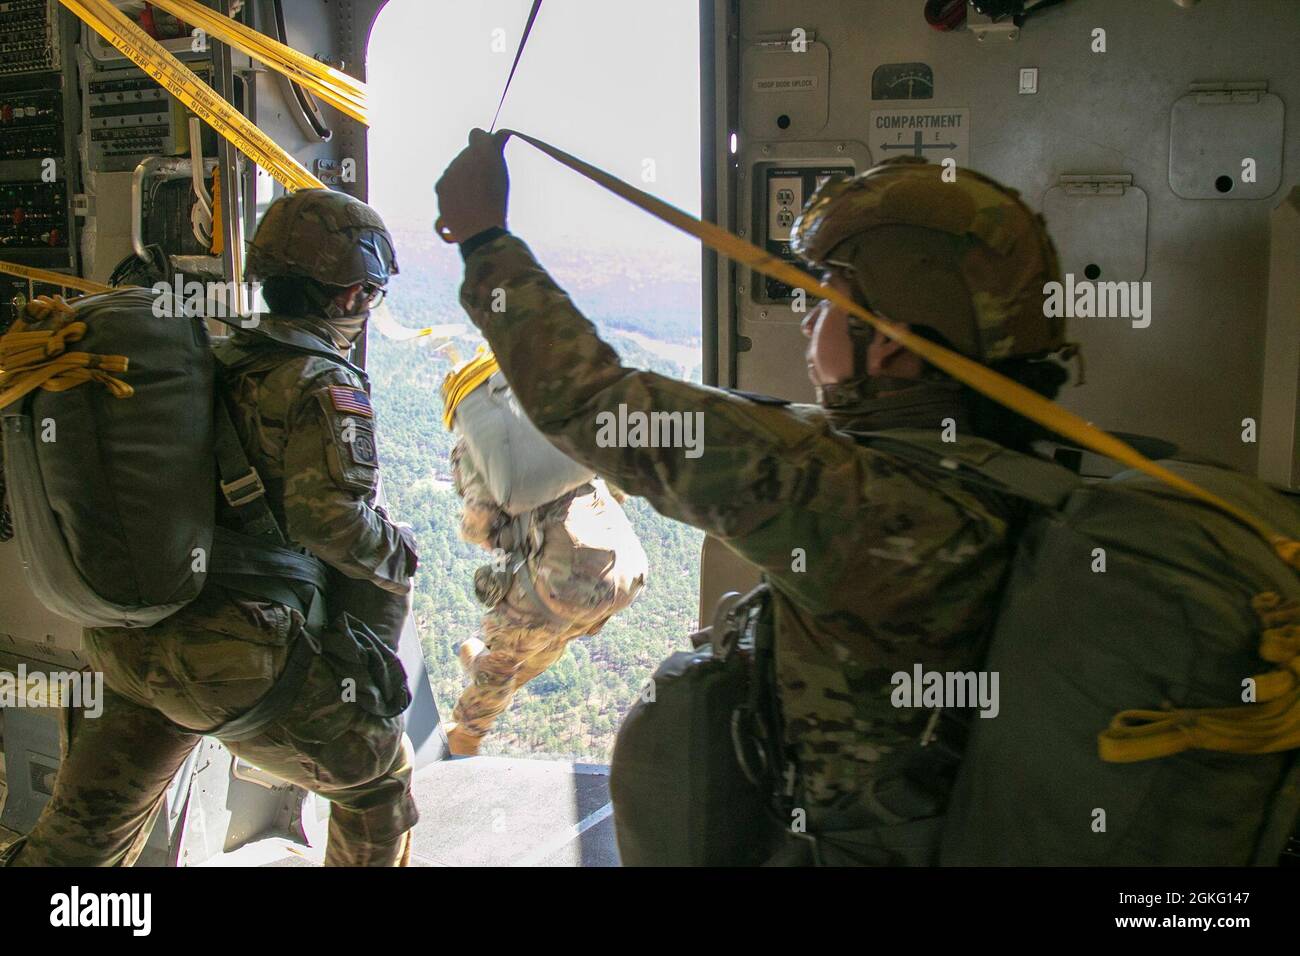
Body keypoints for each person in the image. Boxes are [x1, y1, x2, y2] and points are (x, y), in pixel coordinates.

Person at [435, 130, 1074, 863]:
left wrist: (485, 240)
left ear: (891, 344)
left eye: (827, 298)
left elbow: (596, 406)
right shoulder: (1006, 473)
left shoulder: (848, 495)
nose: (806, 316)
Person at [5, 189, 421, 867]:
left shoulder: (209, 358)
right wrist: (400, 551)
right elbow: (330, 526)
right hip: (230, 659)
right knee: (379, 782)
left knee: (79, 838)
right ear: (352, 295)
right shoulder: (322, 382)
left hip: (130, 640)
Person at [443, 413, 647, 756]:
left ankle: (467, 734)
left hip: (567, 581)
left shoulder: (481, 443)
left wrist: (484, 533)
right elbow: (618, 490)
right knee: (548, 638)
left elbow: (478, 522)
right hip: (627, 568)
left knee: (504, 653)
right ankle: (482, 675)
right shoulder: (563, 422)